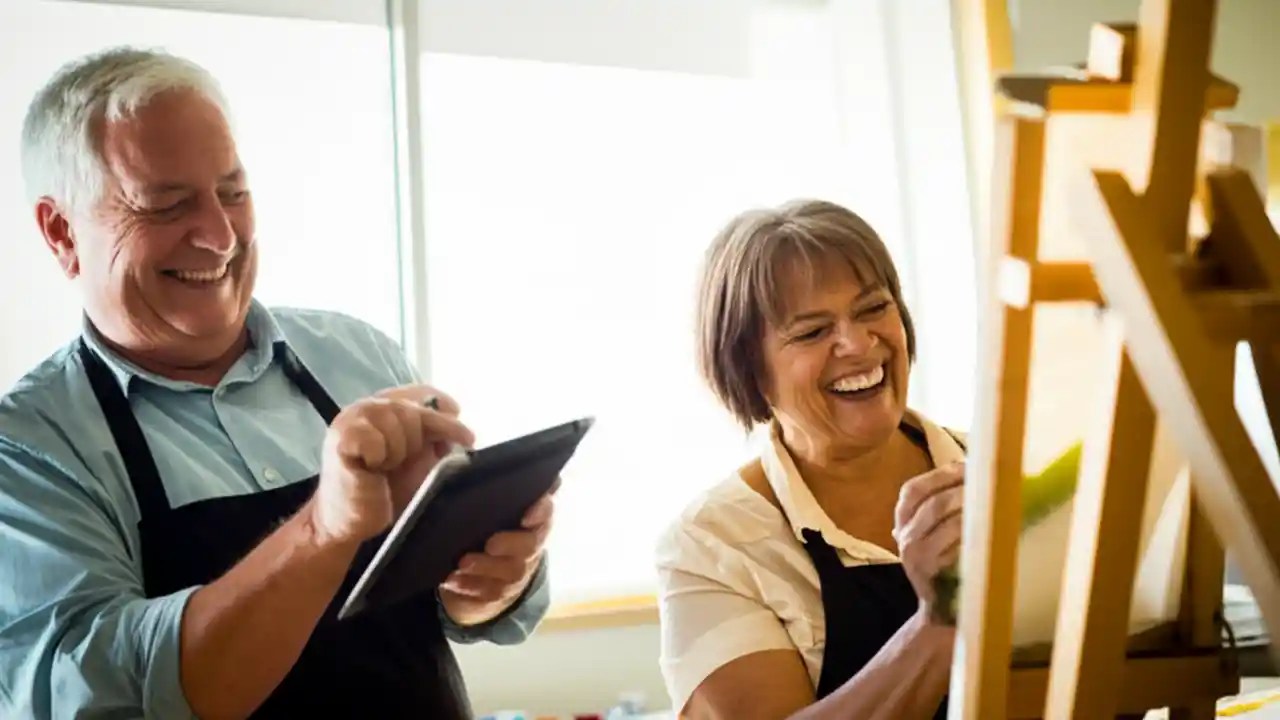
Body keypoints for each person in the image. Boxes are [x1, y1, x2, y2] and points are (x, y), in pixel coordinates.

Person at [0, 47, 553, 720]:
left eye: (233, 193)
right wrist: (325, 527)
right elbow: (98, 696)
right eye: (166, 205)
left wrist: (490, 578)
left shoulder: (357, 354)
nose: (219, 236)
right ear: (61, 232)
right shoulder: (29, 448)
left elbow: (462, 608)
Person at [655, 199, 967, 719]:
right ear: (748, 372)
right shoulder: (710, 545)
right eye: (812, 332)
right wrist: (938, 625)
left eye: (873, 308)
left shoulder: (1006, 470)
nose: (857, 343)